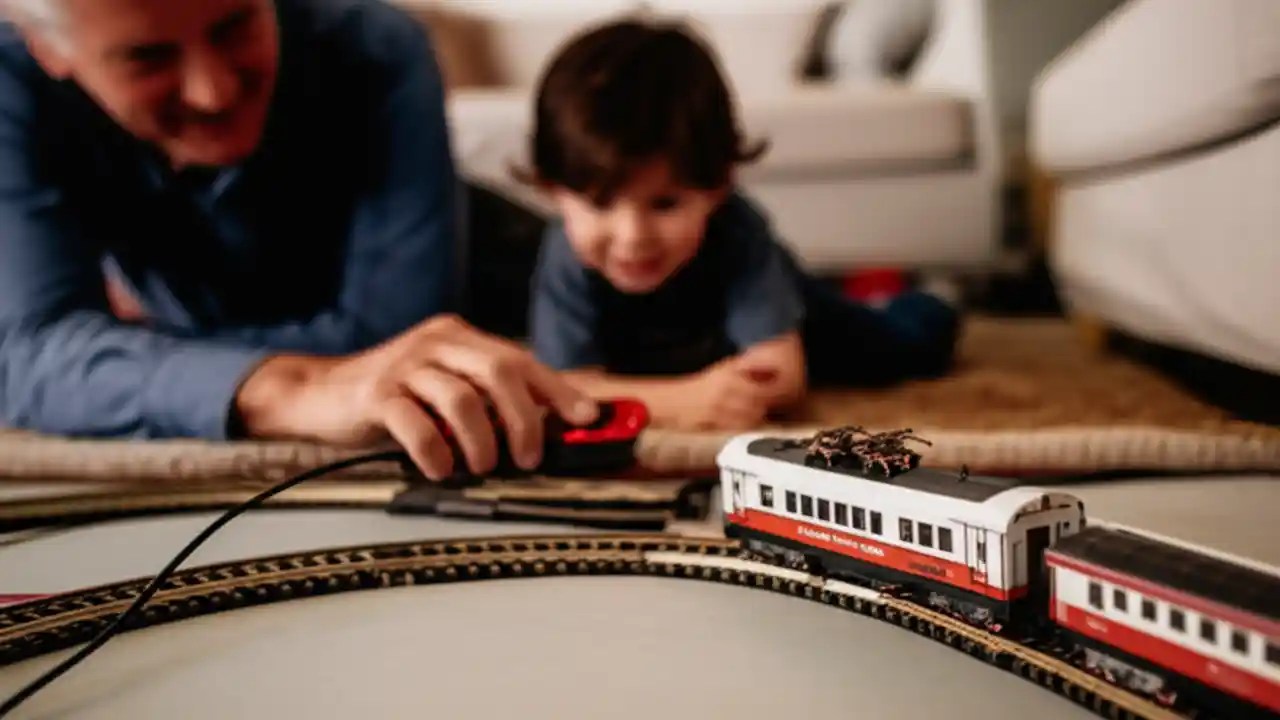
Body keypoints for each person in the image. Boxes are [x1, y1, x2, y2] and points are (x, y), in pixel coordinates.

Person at [0, 0, 598, 480]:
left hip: (510, 291)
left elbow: (390, 334)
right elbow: (26, 357)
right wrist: (282, 387)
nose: (213, 91)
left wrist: (124, 355)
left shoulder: (376, 44)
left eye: (236, 25)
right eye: (147, 58)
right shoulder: (11, 84)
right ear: (47, 47)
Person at [525, 19, 960, 431]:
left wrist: (661, 394)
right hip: (692, 361)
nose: (633, 237)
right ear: (553, 191)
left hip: (806, 322)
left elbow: (783, 377)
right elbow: (567, 388)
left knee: (908, 345)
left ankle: (919, 295)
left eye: (665, 204)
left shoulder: (737, 233)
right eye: (600, 204)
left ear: (718, 187)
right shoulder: (565, 256)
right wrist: (681, 401)